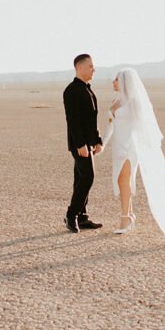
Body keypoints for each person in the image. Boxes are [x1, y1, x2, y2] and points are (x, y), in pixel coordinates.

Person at [101, 67, 165, 244]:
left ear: (125, 81)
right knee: (122, 180)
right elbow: (110, 125)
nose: (113, 82)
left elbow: (143, 125)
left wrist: (142, 145)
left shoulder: (135, 102)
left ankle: (125, 218)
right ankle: (130, 215)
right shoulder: (116, 100)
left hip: (129, 146)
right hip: (117, 147)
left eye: (116, 79)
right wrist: (102, 144)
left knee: (123, 180)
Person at [62, 54, 103, 233]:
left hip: (88, 144)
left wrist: (97, 140)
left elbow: (92, 120)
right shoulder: (71, 90)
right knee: (88, 177)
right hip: (80, 145)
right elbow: (73, 121)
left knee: (80, 179)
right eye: (90, 66)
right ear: (79, 68)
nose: (94, 69)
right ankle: (71, 215)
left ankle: (82, 217)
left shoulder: (88, 90)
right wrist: (80, 144)